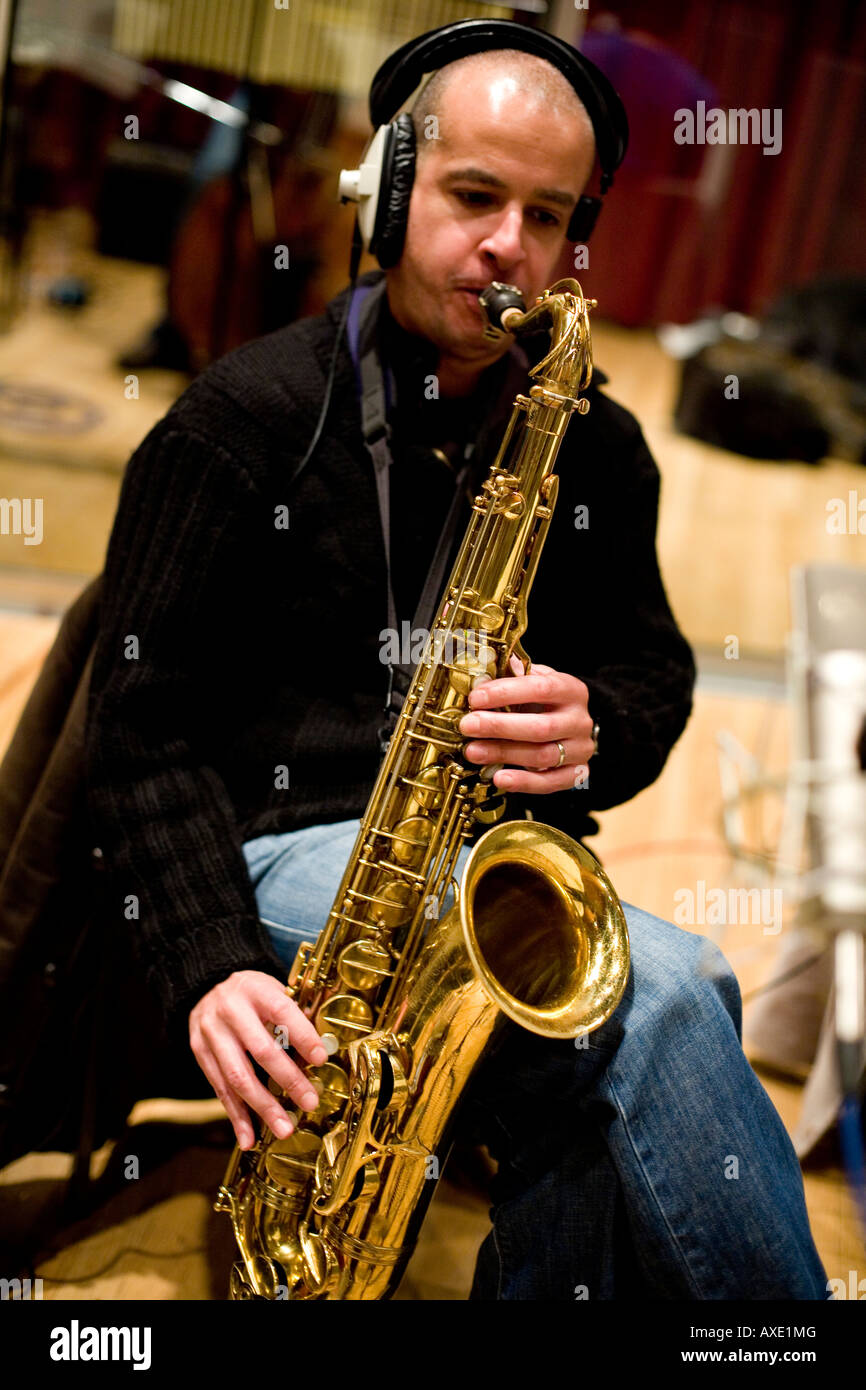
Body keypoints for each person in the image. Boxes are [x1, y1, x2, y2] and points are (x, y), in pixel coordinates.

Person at [85, 23, 828, 1299]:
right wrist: (207, 956)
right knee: (666, 994)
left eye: (546, 217)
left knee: (591, 1091)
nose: (509, 250)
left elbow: (652, 676)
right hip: (281, 838)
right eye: (473, 197)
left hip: (472, 851)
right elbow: (136, 731)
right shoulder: (238, 425)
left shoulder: (589, 443)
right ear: (386, 192)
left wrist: (593, 725)